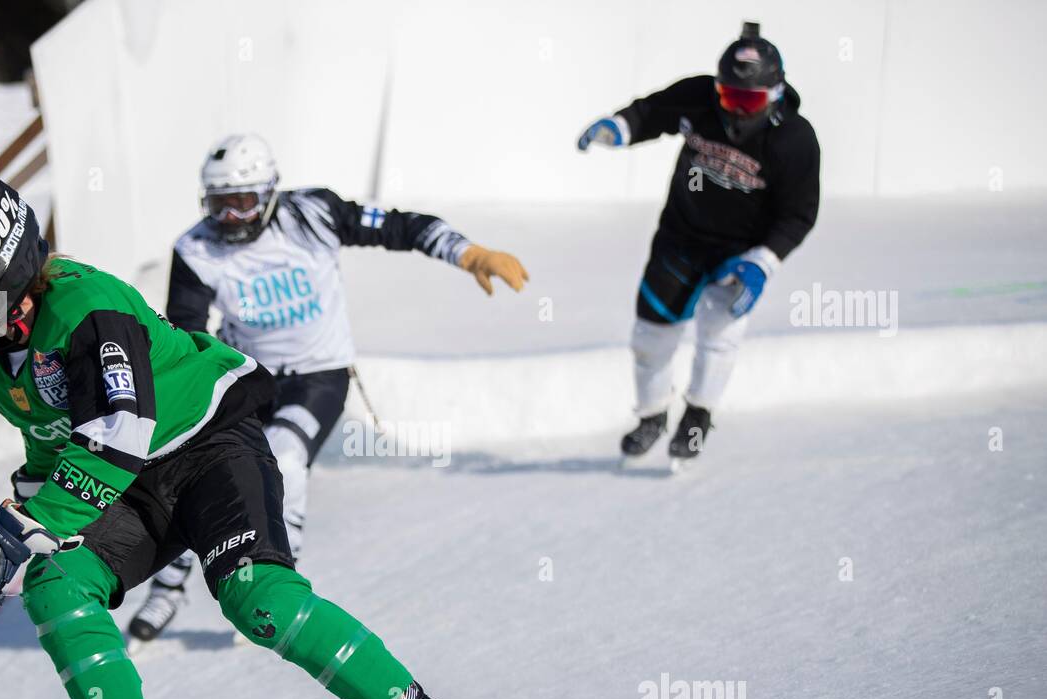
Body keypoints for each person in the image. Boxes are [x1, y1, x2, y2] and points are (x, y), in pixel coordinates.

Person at [0, 171, 500, 699]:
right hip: (126, 482)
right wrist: (16, 538)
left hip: (208, 446)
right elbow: (51, 450)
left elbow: (117, 435)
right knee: (53, 583)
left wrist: (14, 529)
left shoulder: (87, 308)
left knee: (257, 600)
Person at [127, 133, 529, 642]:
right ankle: (167, 587)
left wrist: (467, 253)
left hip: (318, 374)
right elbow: (188, 335)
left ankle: (278, 583)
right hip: (247, 375)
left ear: (269, 192)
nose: (230, 218)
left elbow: (402, 226)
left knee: (285, 458)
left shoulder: (314, 214)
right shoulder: (195, 248)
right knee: (196, 469)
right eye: (218, 204)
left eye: (243, 202)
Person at [577, 21, 820, 464]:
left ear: (775, 95)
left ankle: (699, 415)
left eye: (749, 101)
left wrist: (764, 262)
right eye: (729, 97)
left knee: (719, 335)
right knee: (651, 334)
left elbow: (799, 214)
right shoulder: (700, 97)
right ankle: (652, 414)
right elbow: (653, 112)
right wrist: (619, 126)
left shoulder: (794, 140)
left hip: (740, 253)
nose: (737, 111)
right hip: (682, 237)